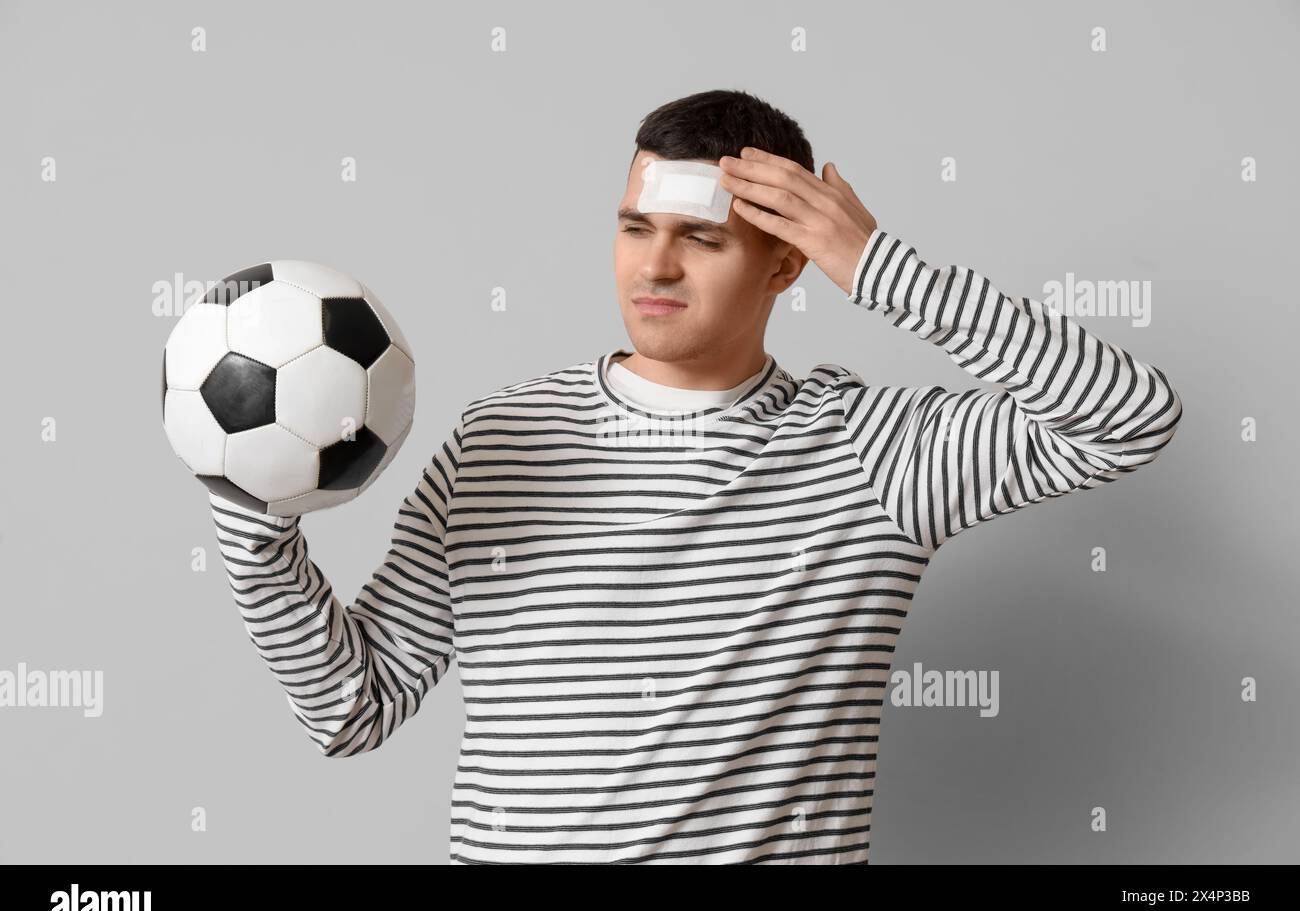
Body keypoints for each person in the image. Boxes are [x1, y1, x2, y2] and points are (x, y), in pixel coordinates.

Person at [208, 89, 1182, 864]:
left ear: (787, 265)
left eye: (701, 238)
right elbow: (354, 706)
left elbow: (1128, 414)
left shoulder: (874, 453)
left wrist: (879, 264)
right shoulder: (500, 439)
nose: (656, 265)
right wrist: (257, 535)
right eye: (635, 227)